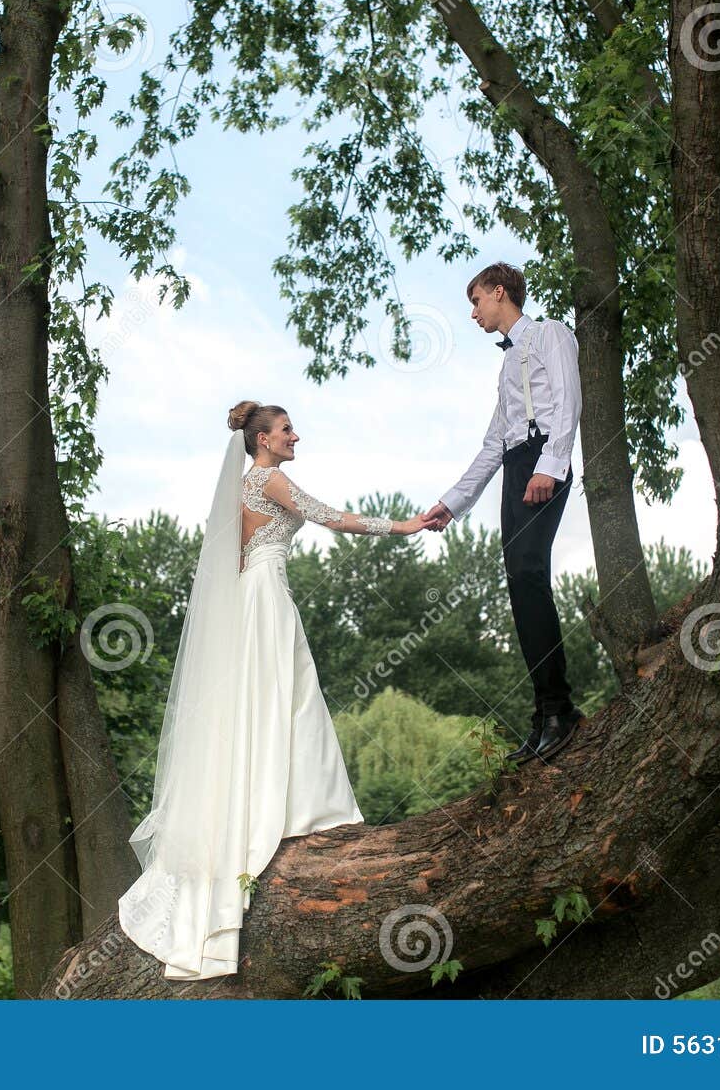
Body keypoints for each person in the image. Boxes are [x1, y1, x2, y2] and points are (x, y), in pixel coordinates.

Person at [117, 401, 428, 980]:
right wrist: (403, 526)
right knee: (290, 697)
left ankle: (285, 802)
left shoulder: (242, 486)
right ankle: (303, 809)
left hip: (254, 595)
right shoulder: (268, 478)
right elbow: (330, 517)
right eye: (287, 431)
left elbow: (232, 557)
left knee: (269, 702)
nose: (295, 437)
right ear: (262, 439)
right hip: (266, 597)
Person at [423, 261, 583, 765]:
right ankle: (543, 716)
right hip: (516, 468)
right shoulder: (505, 366)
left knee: (531, 572)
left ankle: (562, 710)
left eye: (476, 302)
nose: (474, 314)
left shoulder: (550, 334)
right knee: (519, 581)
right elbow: (494, 444)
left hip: (542, 463)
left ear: (499, 292)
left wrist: (551, 465)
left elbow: (568, 401)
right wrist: (454, 501)